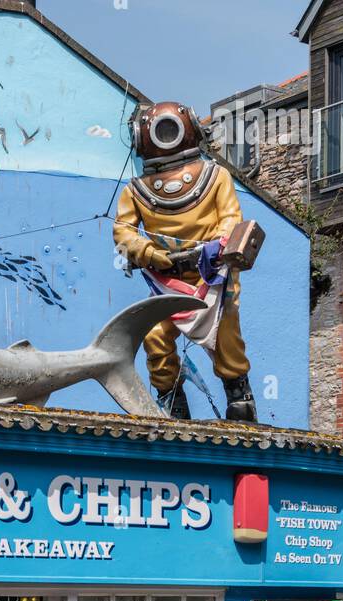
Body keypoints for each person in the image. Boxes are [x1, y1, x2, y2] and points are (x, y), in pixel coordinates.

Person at [113, 100, 256, 423]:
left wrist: (210, 249)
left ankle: (239, 397)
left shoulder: (215, 176)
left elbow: (231, 220)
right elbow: (123, 233)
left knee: (226, 332)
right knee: (155, 335)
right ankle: (172, 401)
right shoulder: (136, 191)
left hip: (213, 278)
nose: (166, 135)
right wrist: (152, 255)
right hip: (167, 281)